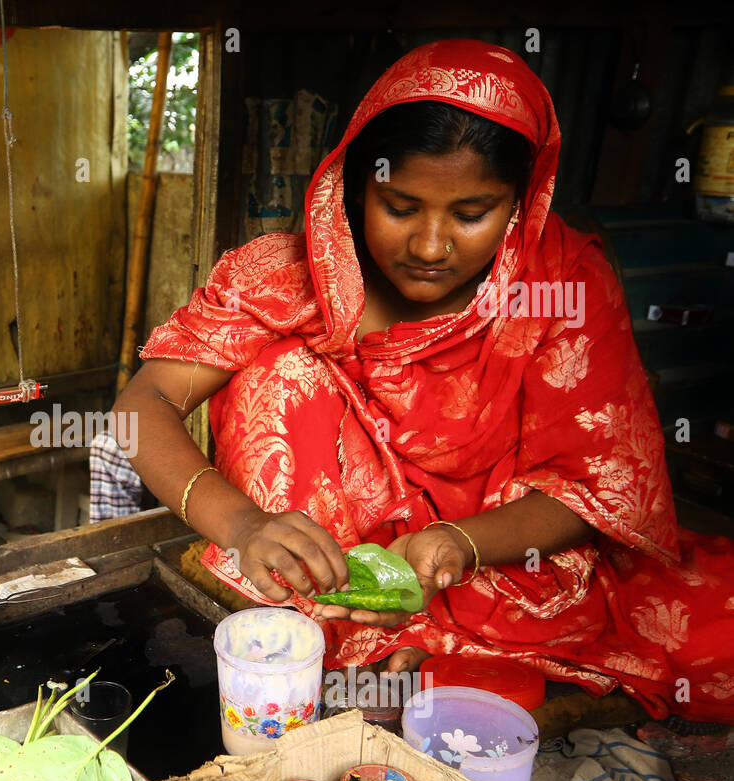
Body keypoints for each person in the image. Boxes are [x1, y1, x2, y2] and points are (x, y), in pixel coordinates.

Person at [114, 39, 734, 723]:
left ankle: (429, 642)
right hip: (323, 563)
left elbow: (602, 485)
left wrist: (461, 544)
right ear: (355, 181)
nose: (431, 245)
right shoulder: (284, 276)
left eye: (472, 215)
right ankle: (343, 616)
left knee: (709, 630)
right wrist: (243, 524)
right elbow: (144, 404)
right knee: (278, 370)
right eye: (400, 206)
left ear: (521, 203)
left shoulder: (561, 284)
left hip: (497, 559)